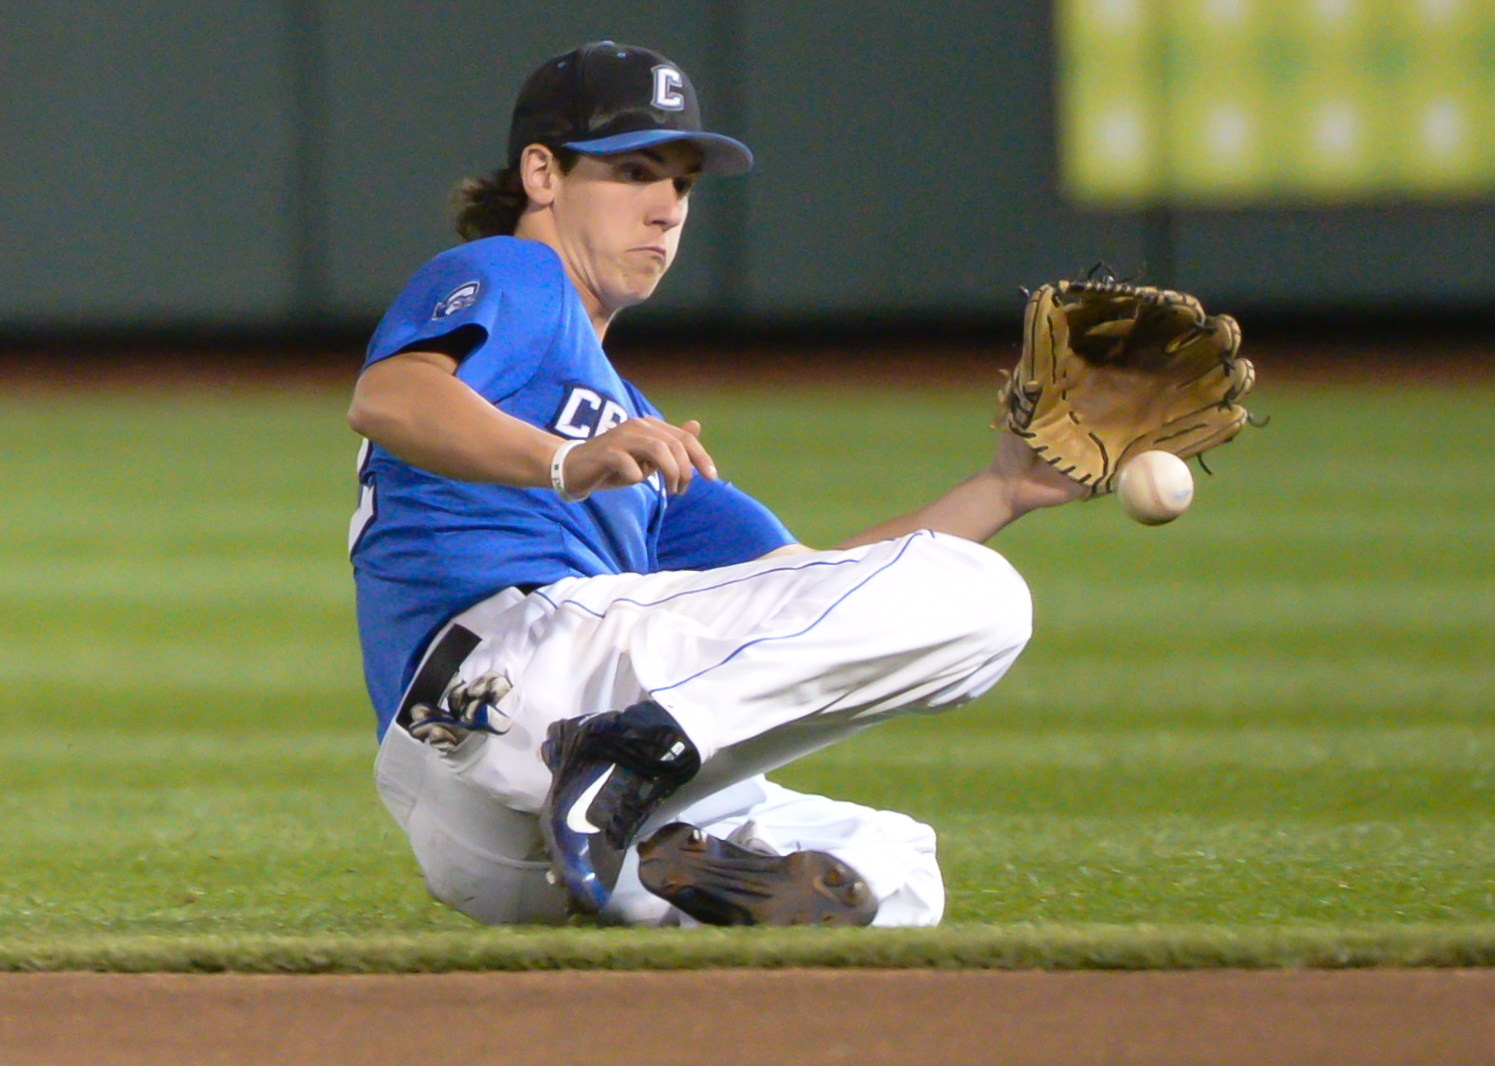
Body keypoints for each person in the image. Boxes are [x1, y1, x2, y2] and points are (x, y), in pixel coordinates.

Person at [347, 40, 1086, 928]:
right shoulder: (517, 273)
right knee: (989, 599)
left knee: (898, 875)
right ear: (542, 173)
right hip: (514, 673)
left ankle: (664, 850)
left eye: (684, 184)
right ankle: (628, 759)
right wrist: (563, 460)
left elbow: (813, 596)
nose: (666, 209)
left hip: (485, 841)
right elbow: (389, 396)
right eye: (634, 171)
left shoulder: (639, 436)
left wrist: (1004, 488)